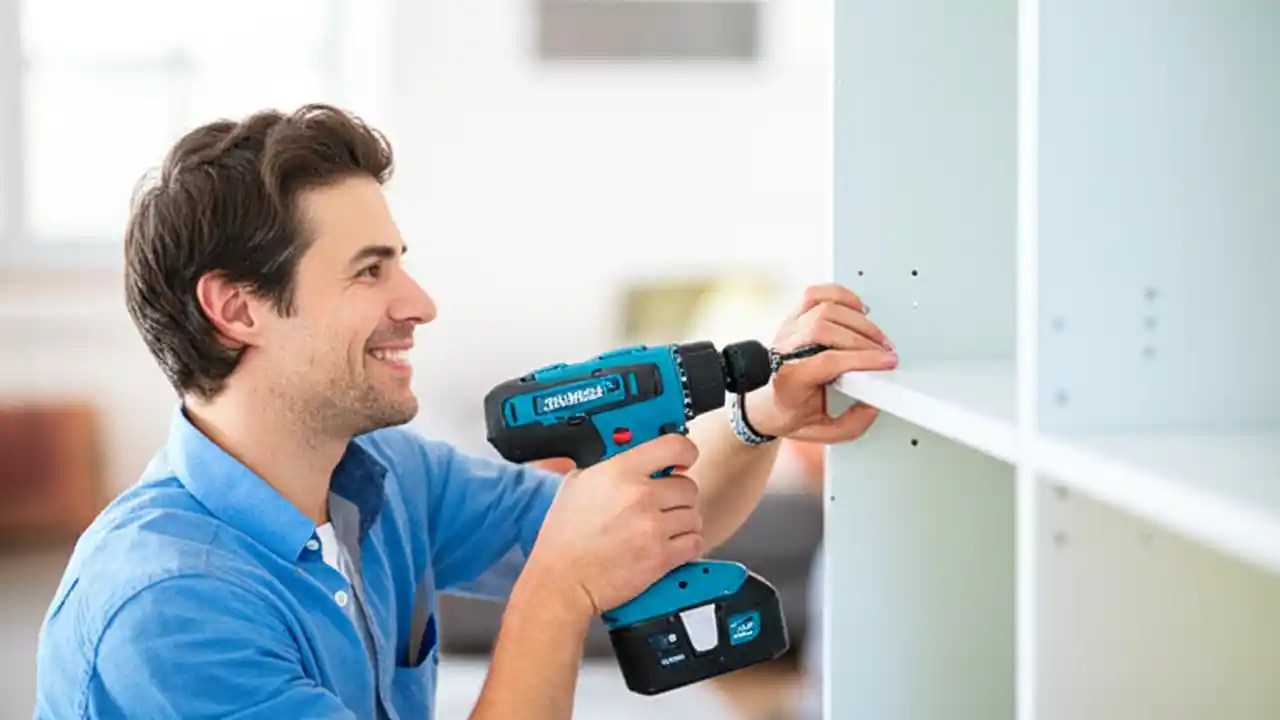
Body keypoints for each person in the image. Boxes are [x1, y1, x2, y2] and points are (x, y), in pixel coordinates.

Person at [32, 104, 897, 720]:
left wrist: (759, 415)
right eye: (370, 271)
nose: (420, 302)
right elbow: (575, 565)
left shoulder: (382, 477)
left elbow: (642, 532)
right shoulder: (168, 609)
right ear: (237, 309)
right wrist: (555, 594)